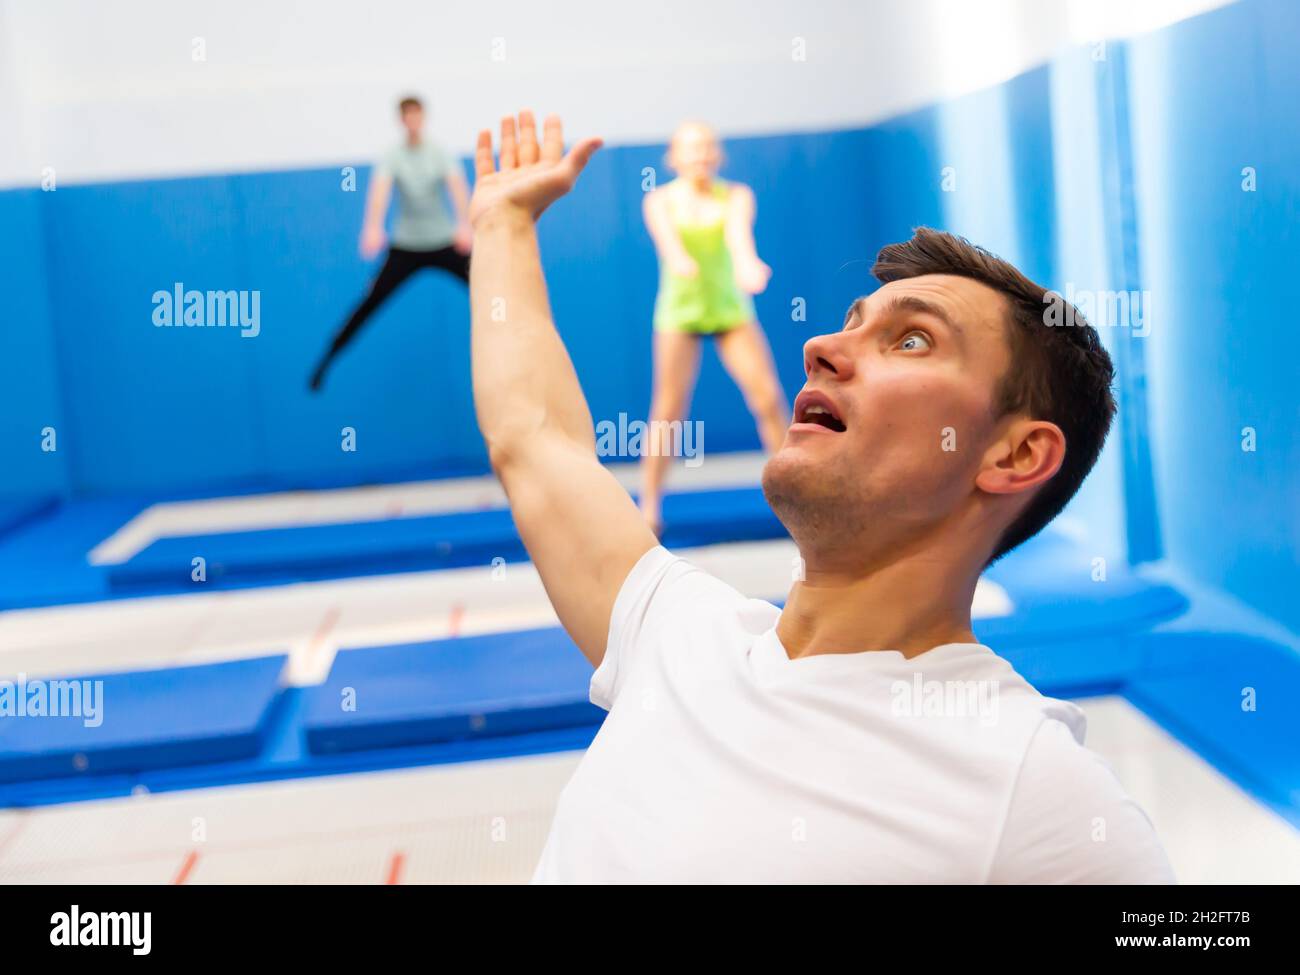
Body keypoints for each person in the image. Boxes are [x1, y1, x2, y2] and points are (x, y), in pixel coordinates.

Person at [467, 110, 1175, 884]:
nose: (820, 347)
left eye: (911, 340)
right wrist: (502, 223)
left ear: (1015, 453)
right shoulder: (675, 632)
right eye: (849, 324)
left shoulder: (1033, 789)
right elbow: (535, 440)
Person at [639, 122, 788, 533]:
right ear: (673, 157)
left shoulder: (737, 195)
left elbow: (740, 240)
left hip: (729, 310)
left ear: (717, 154)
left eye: (706, 148)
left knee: (768, 398)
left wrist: (748, 266)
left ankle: (795, 489)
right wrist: (681, 261)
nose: (699, 156)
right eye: (690, 149)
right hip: (679, 312)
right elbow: (669, 245)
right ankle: (649, 505)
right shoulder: (659, 200)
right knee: (667, 410)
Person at [309, 95, 472, 391]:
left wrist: (464, 224)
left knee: (487, 291)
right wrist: (372, 227)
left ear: (423, 118)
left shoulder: (439, 153)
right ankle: (326, 361)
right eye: (407, 117)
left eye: (417, 116)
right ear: (402, 120)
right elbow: (380, 190)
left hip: (443, 243)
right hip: (405, 246)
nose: (413, 122)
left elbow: (457, 186)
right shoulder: (392, 156)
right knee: (369, 302)